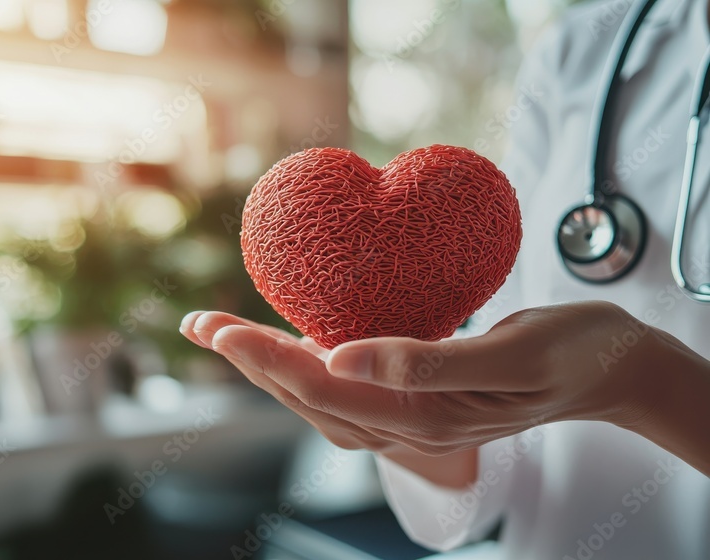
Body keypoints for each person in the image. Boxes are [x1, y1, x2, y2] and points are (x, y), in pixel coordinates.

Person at [180, 0, 710, 558]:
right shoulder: (583, 47)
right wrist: (408, 426)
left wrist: (646, 384)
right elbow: (505, 458)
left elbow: (582, 372)